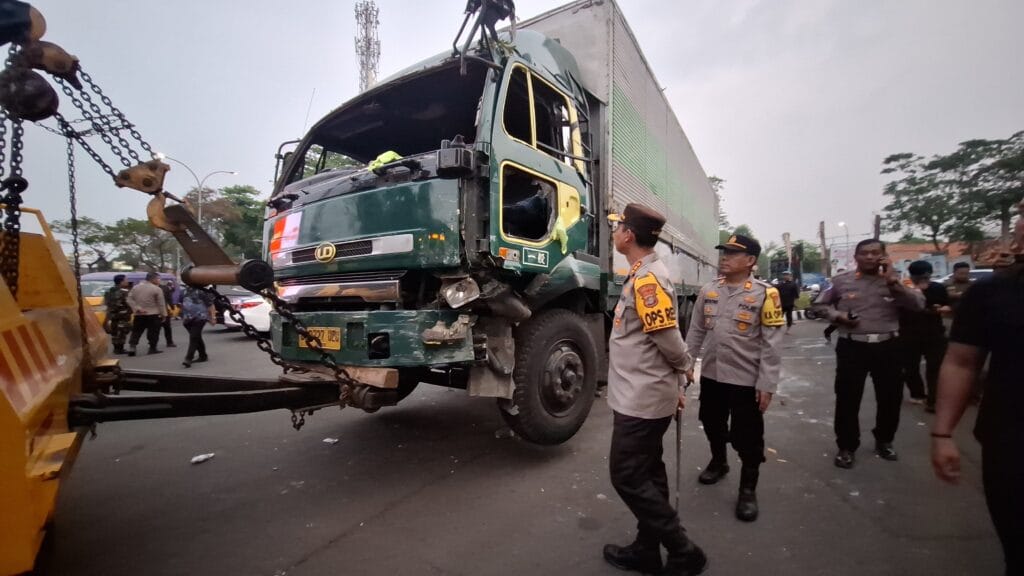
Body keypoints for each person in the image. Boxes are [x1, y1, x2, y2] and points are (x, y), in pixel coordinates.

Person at [603, 203, 707, 576]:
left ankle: (682, 549)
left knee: (627, 475)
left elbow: (667, 337)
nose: (614, 232)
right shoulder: (641, 274)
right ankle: (647, 550)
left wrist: (683, 370)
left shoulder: (647, 279)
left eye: (617, 227)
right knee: (648, 473)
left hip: (642, 400)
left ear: (628, 235)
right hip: (641, 392)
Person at [931, 200, 1023, 575]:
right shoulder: (993, 293)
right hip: (1012, 442)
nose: (1018, 224)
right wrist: (942, 433)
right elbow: (961, 362)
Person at [686, 234, 784, 522]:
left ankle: (748, 489)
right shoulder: (709, 290)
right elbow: (695, 332)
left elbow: (772, 343)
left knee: (748, 437)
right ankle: (719, 462)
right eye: (724, 252)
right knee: (711, 422)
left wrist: (767, 384)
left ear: (751, 261)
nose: (724, 257)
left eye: (732, 253)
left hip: (746, 380)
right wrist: (686, 365)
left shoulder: (766, 294)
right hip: (714, 375)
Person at [813, 239, 924, 469]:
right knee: (847, 398)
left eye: (875, 253)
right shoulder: (841, 282)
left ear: (884, 256)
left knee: (890, 397)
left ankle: (884, 440)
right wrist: (839, 317)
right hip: (853, 346)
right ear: (856, 257)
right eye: (865, 253)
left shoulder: (896, 281)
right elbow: (819, 306)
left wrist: (894, 283)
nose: (870, 257)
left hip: (888, 346)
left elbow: (918, 304)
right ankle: (846, 446)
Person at [899, 260, 950, 413]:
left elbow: (946, 305)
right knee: (910, 368)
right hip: (909, 335)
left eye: (926, 276)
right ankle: (918, 394)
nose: (924, 279)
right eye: (921, 277)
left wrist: (939, 309)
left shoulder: (938, 288)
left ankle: (932, 400)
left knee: (934, 368)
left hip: (933, 334)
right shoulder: (904, 289)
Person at [126, 271, 167, 356]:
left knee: (136, 331)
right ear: (154, 279)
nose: (159, 281)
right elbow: (161, 303)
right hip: (153, 314)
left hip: (139, 314)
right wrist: (164, 314)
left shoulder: (135, 287)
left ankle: (132, 347)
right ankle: (152, 348)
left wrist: (137, 308)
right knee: (153, 332)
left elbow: (129, 299)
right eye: (158, 279)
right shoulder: (157, 289)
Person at [180, 286, 216, 368]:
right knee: (197, 337)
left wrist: (213, 318)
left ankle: (188, 359)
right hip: (187, 319)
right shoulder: (183, 292)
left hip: (200, 318)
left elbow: (211, 305)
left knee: (193, 337)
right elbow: (181, 304)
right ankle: (203, 356)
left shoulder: (202, 292)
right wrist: (183, 316)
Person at [102, 274, 132, 354]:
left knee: (114, 330)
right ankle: (120, 349)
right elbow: (129, 303)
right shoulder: (124, 292)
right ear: (121, 282)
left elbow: (106, 302)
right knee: (122, 331)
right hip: (122, 314)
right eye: (126, 280)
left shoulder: (109, 291)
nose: (127, 281)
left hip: (112, 314)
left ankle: (116, 348)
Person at [160, 279, 177, 348]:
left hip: (153, 312)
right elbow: (169, 299)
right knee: (167, 327)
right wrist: (172, 307)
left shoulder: (158, 287)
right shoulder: (166, 288)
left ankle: (152, 345)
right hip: (164, 310)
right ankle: (169, 342)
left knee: (154, 329)